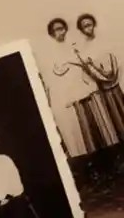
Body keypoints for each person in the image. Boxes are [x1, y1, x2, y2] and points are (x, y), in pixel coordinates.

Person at [70, 13, 123, 154]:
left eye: (89, 24)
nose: (88, 28)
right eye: (84, 27)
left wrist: (110, 74)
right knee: (114, 121)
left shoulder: (104, 41)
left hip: (116, 84)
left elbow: (114, 61)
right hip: (104, 90)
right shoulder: (84, 49)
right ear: (81, 30)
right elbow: (89, 70)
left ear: (94, 24)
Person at [46, 16, 93, 157]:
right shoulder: (51, 52)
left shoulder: (73, 46)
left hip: (81, 94)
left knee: (89, 130)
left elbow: (84, 65)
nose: (60, 32)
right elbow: (57, 73)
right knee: (75, 133)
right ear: (52, 33)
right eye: (57, 30)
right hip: (66, 99)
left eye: (62, 29)